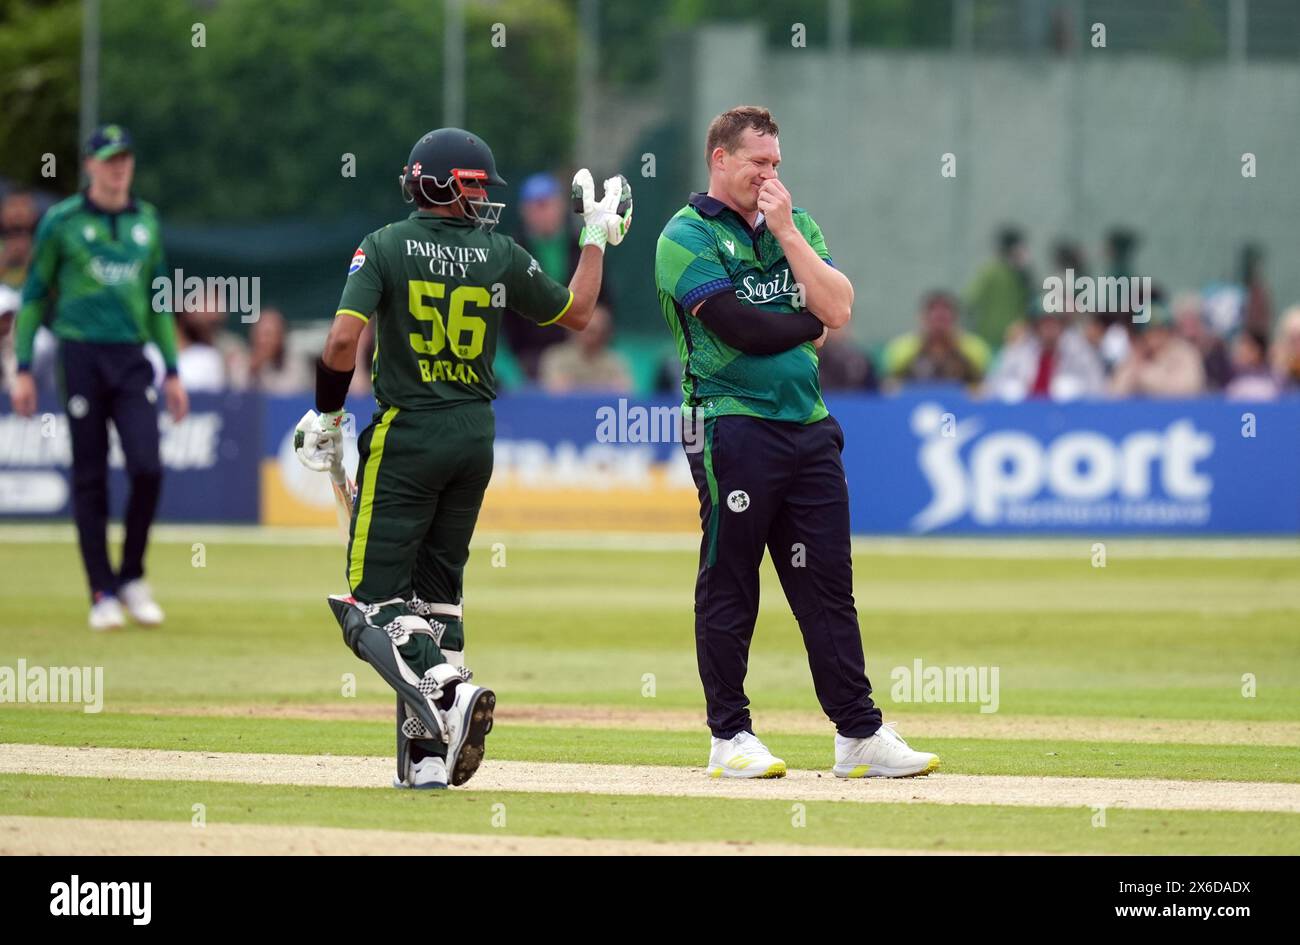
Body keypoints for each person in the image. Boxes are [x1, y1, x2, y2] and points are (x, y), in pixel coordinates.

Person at [294, 128, 631, 790]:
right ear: (445, 184)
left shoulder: (385, 244)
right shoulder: (499, 253)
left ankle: (446, 687)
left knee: (370, 603)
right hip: (475, 435)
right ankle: (426, 757)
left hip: (408, 433)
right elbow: (580, 310)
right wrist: (594, 236)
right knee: (437, 601)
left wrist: (328, 411)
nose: (485, 201)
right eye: (478, 187)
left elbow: (340, 341)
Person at [654, 105, 938, 781]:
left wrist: (786, 234)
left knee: (827, 585)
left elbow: (838, 309)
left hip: (807, 424)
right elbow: (739, 328)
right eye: (757, 162)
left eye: (776, 163)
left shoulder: (795, 223)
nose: (770, 175)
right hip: (729, 421)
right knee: (732, 578)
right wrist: (804, 321)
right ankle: (730, 736)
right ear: (719, 159)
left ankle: (859, 735)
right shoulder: (684, 235)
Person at [9, 124, 188, 630]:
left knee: (148, 467)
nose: (119, 167)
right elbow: (34, 295)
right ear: (89, 165)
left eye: (125, 158)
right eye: (108, 159)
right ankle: (101, 590)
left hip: (132, 358)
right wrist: (22, 368)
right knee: (89, 478)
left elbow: (158, 303)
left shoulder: (146, 222)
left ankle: (130, 575)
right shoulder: (62, 222)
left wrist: (172, 370)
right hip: (81, 354)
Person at [503, 172, 612, 380]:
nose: (541, 213)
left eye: (546, 204)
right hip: (533, 354)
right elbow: (507, 313)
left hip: (585, 348)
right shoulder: (513, 249)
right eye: (534, 206)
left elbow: (604, 297)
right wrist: (521, 353)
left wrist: (597, 327)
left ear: (560, 206)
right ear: (524, 211)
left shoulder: (582, 242)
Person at [985, 305, 1105, 401]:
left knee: (1064, 387)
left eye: (1053, 324)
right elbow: (996, 382)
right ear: (1037, 326)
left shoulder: (1079, 349)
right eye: (1045, 324)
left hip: (1069, 415)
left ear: (1061, 326)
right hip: (1025, 410)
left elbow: (1097, 386)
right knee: (1014, 390)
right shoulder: (1019, 349)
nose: (1049, 329)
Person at [883, 290, 989, 386]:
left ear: (956, 318)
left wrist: (955, 344)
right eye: (934, 318)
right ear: (922, 317)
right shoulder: (901, 347)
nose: (939, 325)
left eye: (944, 319)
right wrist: (922, 343)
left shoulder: (974, 347)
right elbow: (891, 385)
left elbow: (982, 384)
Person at [1109, 304, 1206, 398]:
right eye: (1148, 331)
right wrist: (1133, 367)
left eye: (1158, 330)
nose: (1153, 336)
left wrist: (1145, 374)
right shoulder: (1138, 353)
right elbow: (1115, 392)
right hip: (1144, 413)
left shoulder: (1185, 352)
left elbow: (1189, 388)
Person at [538, 302, 632, 393]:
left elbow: (623, 392)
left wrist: (575, 387)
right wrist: (604, 388)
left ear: (604, 332)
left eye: (594, 330)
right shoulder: (556, 357)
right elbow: (556, 391)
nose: (588, 335)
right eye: (584, 328)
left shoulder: (615, 361)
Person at [964, 225, 1032, 349]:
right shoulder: (992, 272)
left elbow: (969, 300)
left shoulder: (1019, 274)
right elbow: (969, 300)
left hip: (1011, 339)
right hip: (991, 339)